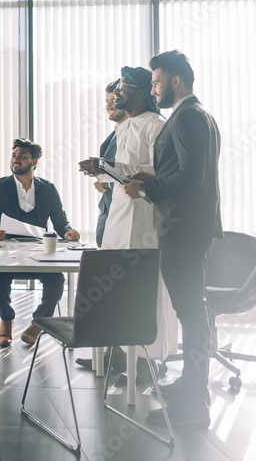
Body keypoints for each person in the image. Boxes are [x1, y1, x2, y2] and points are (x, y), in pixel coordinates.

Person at [123, 50, 221, 430]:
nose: (153, 89)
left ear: (175, 81)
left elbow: (189, 177)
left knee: (192, 315)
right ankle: (193, 386)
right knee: (191, 312)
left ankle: (195, 403)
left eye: (157, 82)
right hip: (189, 228)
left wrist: (147, 190)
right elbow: (184, 172)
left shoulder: (187, 117)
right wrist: (149, 179)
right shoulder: (200, 115)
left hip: (182, 230)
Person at [77, 67, 177, 376]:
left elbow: (157, 170)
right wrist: (104, 171)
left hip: (142, 217)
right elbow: (124, 170)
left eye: (124, 87)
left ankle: (147, 356)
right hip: (120, 213)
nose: (118, 92)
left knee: (139, 284)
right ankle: (117, 352)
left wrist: (108, 165)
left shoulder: (156, 126)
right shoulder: (126, 125)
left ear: (143, 92)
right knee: (115, 283)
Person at [0, 138, 80, 348]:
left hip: (40, 252)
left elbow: (61, 221)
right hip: (8, 252)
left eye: (22, 156)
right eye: (14, 155)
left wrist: (69, 232)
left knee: (56, 282)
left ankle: (38, 323)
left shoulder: (48, 188)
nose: (16, 159)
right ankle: (6, 320)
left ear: (34, 162)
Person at [95, 80, 126, 247]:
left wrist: (106, 183)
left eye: (113, 100)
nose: (109, 105)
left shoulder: (130, 132)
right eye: (107, 101)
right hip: (107, 207)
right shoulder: (114, 133)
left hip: (119, 210)